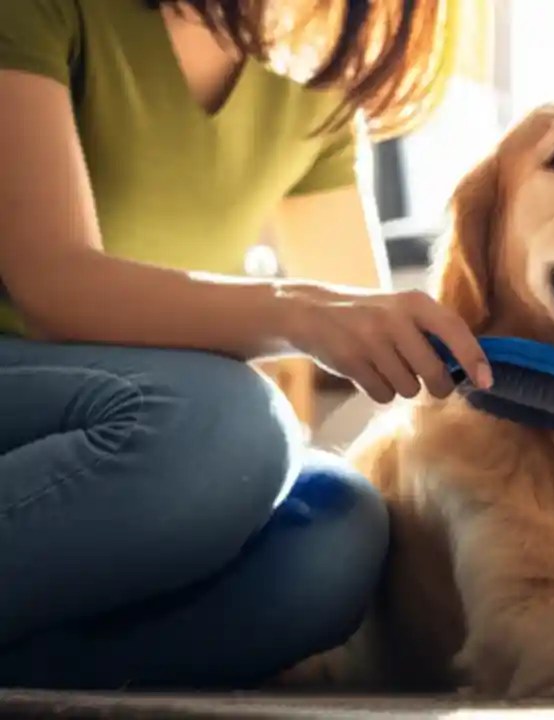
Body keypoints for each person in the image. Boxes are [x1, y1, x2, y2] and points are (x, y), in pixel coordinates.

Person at [0, 0, 492, 689]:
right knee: (225, 424)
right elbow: (52, 285)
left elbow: (375, 332)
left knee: (341, 529)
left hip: (143, 442)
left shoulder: (309, 81)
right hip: (34, 394)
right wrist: (295, 311)